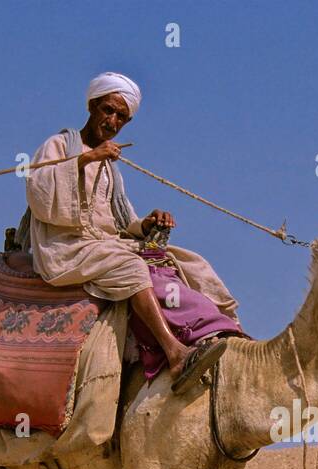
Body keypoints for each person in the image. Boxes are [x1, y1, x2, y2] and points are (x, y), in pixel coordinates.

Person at [24, 71, 238, 385]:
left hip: (104, 244)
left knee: (188, 262)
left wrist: (145, 224)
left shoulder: (111, 169)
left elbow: (120, 223)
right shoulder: (58, 145)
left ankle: (222, 332)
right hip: (65, 246)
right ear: (92, 106)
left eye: (121, 117)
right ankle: (175, 353)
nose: (112, 121)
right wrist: (85, 159)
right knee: (132, 268)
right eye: (108, 110)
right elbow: (40, 193)